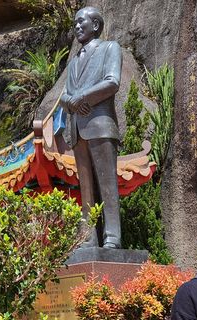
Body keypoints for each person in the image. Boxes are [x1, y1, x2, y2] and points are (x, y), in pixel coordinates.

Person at [59, 6, 123, 248]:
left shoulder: (110, 48)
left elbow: (112, 82)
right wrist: (72, 102)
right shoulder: (73, 61)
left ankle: (112, 237)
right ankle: (89, 237)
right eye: (75, 23)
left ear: (95, 25)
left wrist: (82, 98)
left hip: (100, 125)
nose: (77, 27)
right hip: (77, 128)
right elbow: (64, 96)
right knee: (85, 188)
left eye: (81, 22)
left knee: (108, 185)